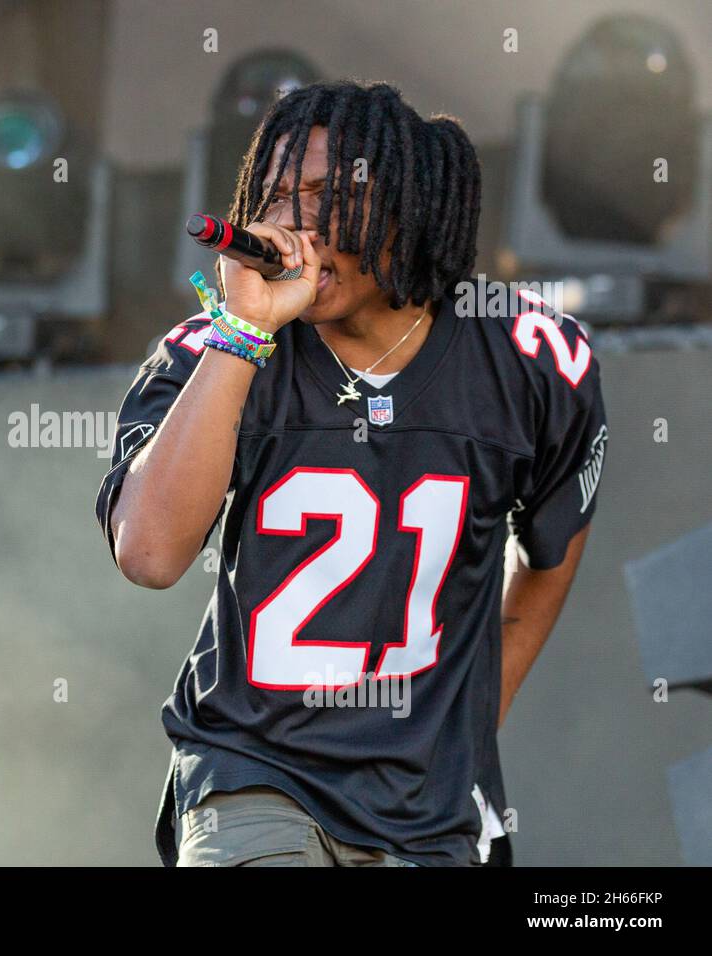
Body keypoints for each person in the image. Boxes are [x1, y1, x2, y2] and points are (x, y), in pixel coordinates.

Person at [94, 80, 607, 866]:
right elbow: (151, 554)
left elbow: (551, 550)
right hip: (254, 774)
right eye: (272, 197)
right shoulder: (212, 351)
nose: (289, 221)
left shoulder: (532, 356)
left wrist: (468, 719)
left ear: (404, 201)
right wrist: (243, 332)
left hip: (430, 813)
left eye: (321, 194)